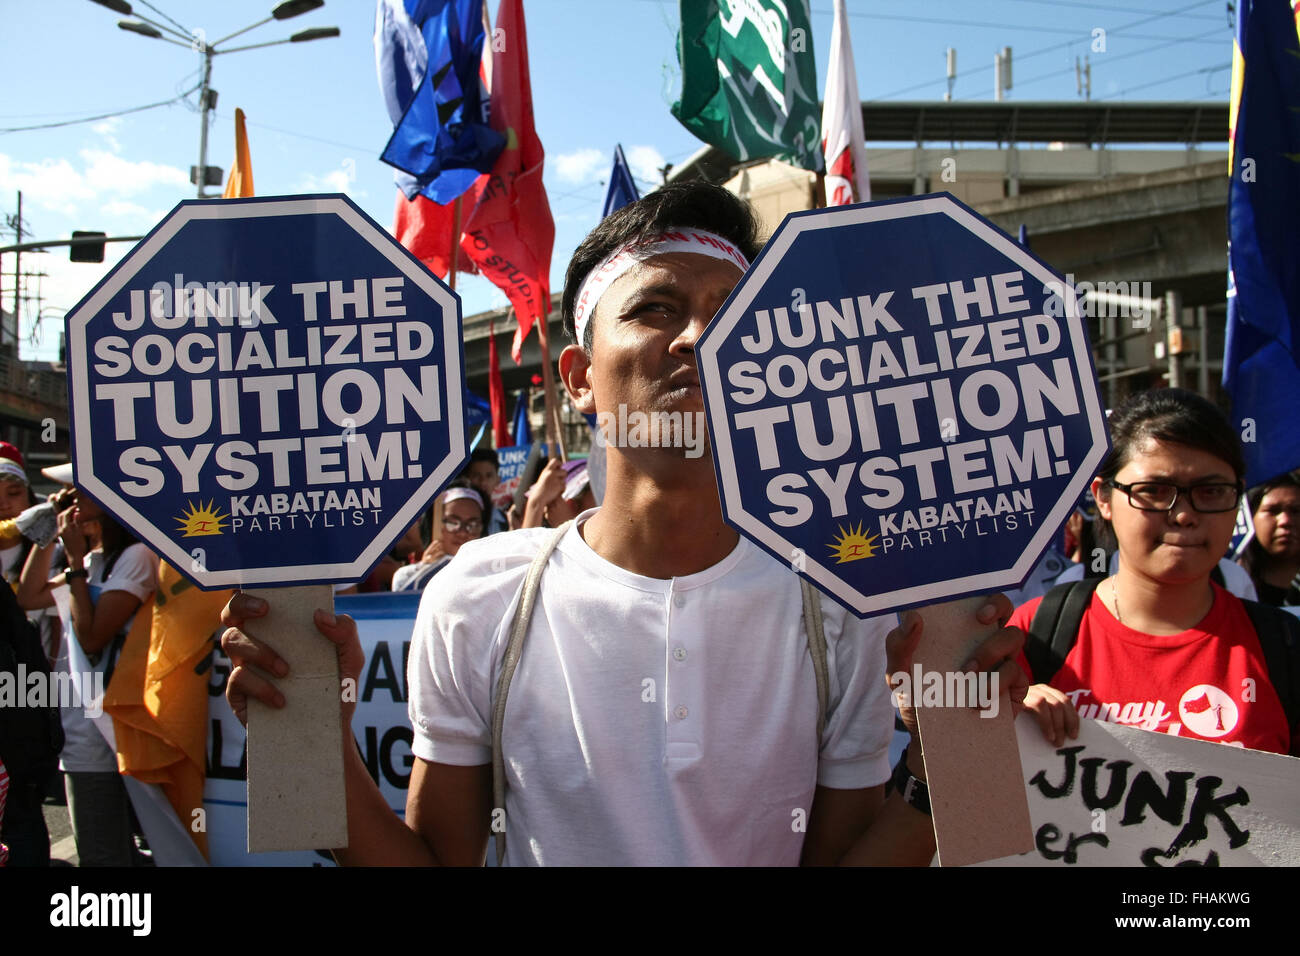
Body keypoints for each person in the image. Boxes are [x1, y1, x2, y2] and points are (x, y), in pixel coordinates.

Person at [222, 182, 1028, 866]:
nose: (700, 337)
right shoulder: (480, 594)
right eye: (656, 308)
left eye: (731, 312)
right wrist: (307, 750)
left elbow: (885, 847)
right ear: (577, 377)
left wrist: (961, 760)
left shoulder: (840, 607)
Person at [1014, 388, 1298, 756]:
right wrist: (1000, 717)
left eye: (1211, 491)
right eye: (1154, 491)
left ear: (1237, 497)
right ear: (1103, 498)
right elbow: (949, 800)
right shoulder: (1033, 634)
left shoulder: (1286, 649)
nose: (1184, 515)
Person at [20, 492, 157, 865]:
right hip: (82, 733)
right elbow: (29, 596)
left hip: (115, 732)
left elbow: (93, 637)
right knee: (106, 850)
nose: (75, 507)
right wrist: (49, 529)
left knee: (105, 855)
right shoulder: (91, 559)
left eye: (86, 497)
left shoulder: (135, 557)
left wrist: (76, 563)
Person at [391, 487, 486, 592]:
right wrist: (426, 570)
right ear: (436, 524)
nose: (462, 533)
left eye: (472, 525)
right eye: (453, 522)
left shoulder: (493, 574)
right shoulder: (407, 576)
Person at [1239, 472, 1300, 607]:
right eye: (1273, 510)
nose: (1285, 521)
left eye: (1295, 511)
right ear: (1250, 517)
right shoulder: (1231, 583)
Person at [465, 449, 510, 535]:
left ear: (498, 480)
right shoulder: (457, 520)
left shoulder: (505, 522)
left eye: (489, 476)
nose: (483, 482)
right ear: (467, 478)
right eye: (476, 476)